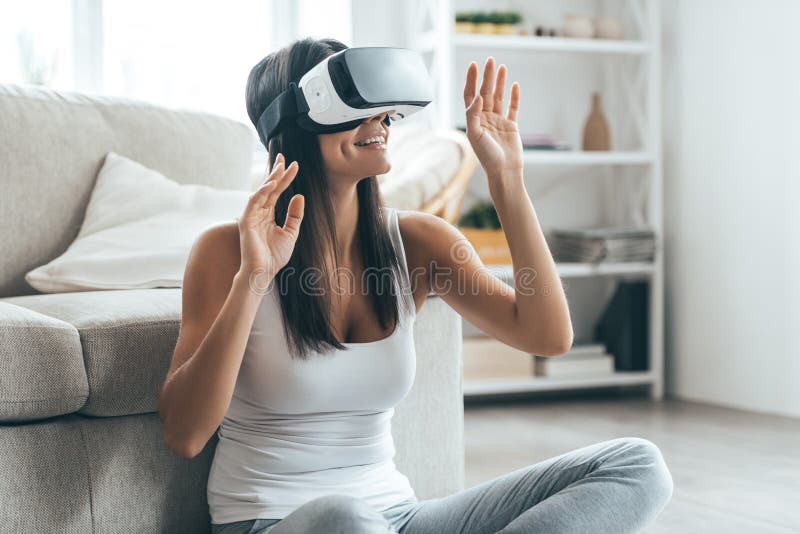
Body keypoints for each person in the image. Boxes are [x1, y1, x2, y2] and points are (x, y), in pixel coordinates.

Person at [157, 37, 673, 534]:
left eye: (381, 107)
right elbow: (185, 434)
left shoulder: (416, 242)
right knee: (345, 518)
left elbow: (548, 336)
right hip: (274, 520)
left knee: (636, 465)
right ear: (295, 123)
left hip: (398, 517)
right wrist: (254, 278)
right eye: (354, 105)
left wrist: (507, 179)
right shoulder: (225, 252)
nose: (380, 120)